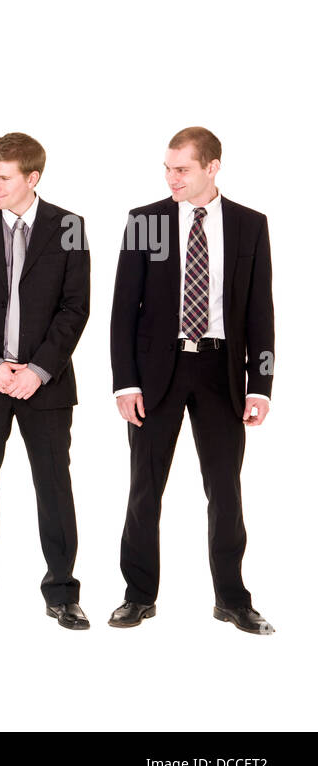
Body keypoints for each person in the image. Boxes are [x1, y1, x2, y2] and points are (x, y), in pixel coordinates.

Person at [109, 127, 275, 634]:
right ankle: (138, 595)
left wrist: (260, 384)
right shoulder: (146, 221)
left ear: (212, 167)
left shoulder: (250, 225)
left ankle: (232, 598)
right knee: (144, 489)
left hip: (221, 371)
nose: (171, 177)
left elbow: (261, 312)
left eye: (182, 168)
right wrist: (125, 383)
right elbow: (123, 311)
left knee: (225, 491)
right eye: (167, 168)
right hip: (158, 372)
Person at [0, 133, 91, 629]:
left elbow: (76, 307)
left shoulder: (69, 227)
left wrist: (38, 370)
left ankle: (63, 591)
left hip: (44, 384)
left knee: (53, 486)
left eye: (3, 177)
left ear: (32, 178)